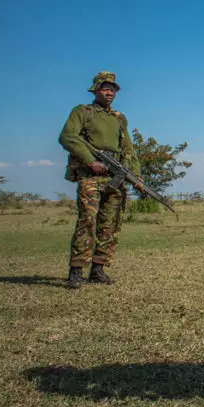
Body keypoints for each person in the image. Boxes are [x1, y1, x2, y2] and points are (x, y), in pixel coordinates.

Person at [58, 71, 142, 289]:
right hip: (91, 176)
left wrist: (136, 175)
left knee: (110, 224)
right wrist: (89, 161)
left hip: (115, 176)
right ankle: (76, 270)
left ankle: (98, 269)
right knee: (87, 220)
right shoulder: (82, 112)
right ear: (95, 89)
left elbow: (128, 150)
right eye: (105, 88)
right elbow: (67, 136)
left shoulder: (119, 118)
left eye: (113, 89)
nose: (109, 92)